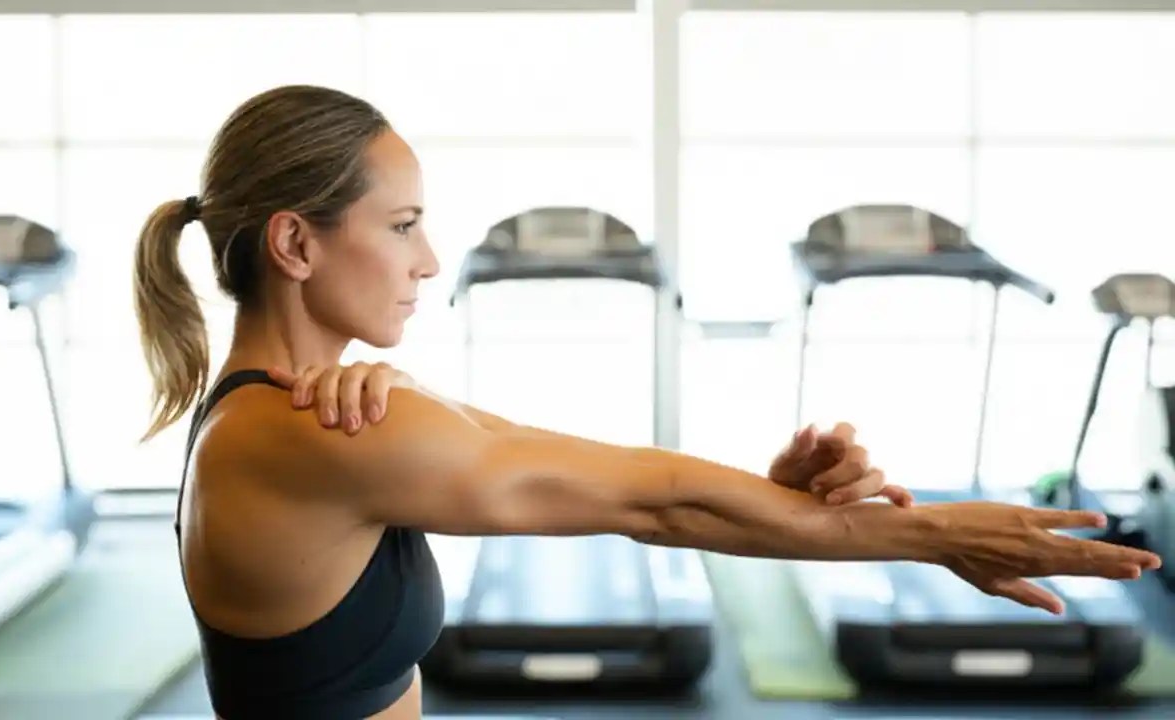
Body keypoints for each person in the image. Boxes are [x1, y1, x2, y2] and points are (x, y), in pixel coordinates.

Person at [131, 84, 1161, 720]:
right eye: (400, 224)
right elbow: (652, 506)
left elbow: (596, 466)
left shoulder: (305, 410)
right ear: (295, 244)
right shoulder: (312, 435)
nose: (429, 259)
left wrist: (770, 496)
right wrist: (933, 535)